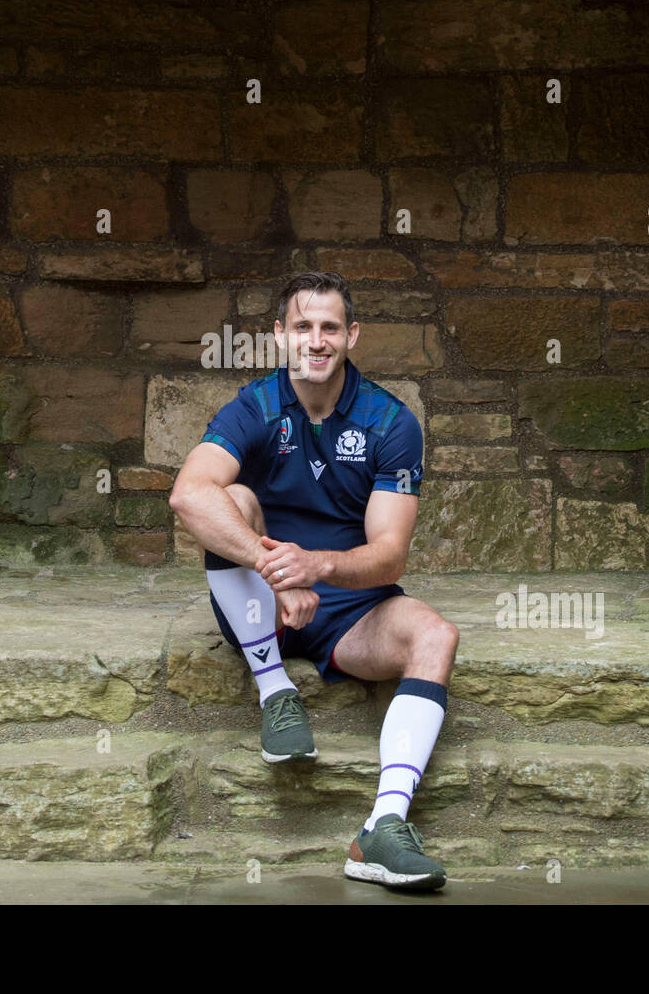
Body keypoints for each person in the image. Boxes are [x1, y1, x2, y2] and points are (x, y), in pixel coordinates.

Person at [169, 270, 459, 891]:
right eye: (303, 326)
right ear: (280, 336)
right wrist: (278, 572)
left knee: (436, 635)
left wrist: (318, 566)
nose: (316, 340)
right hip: (257, 604)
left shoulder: (390, 422)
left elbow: (389, 556)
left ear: (351, 335)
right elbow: (188, 496)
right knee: (234, 497)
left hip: (350, 610)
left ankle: (383, 827)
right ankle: (275, 690)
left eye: (330, 327)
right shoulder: (256, 405)